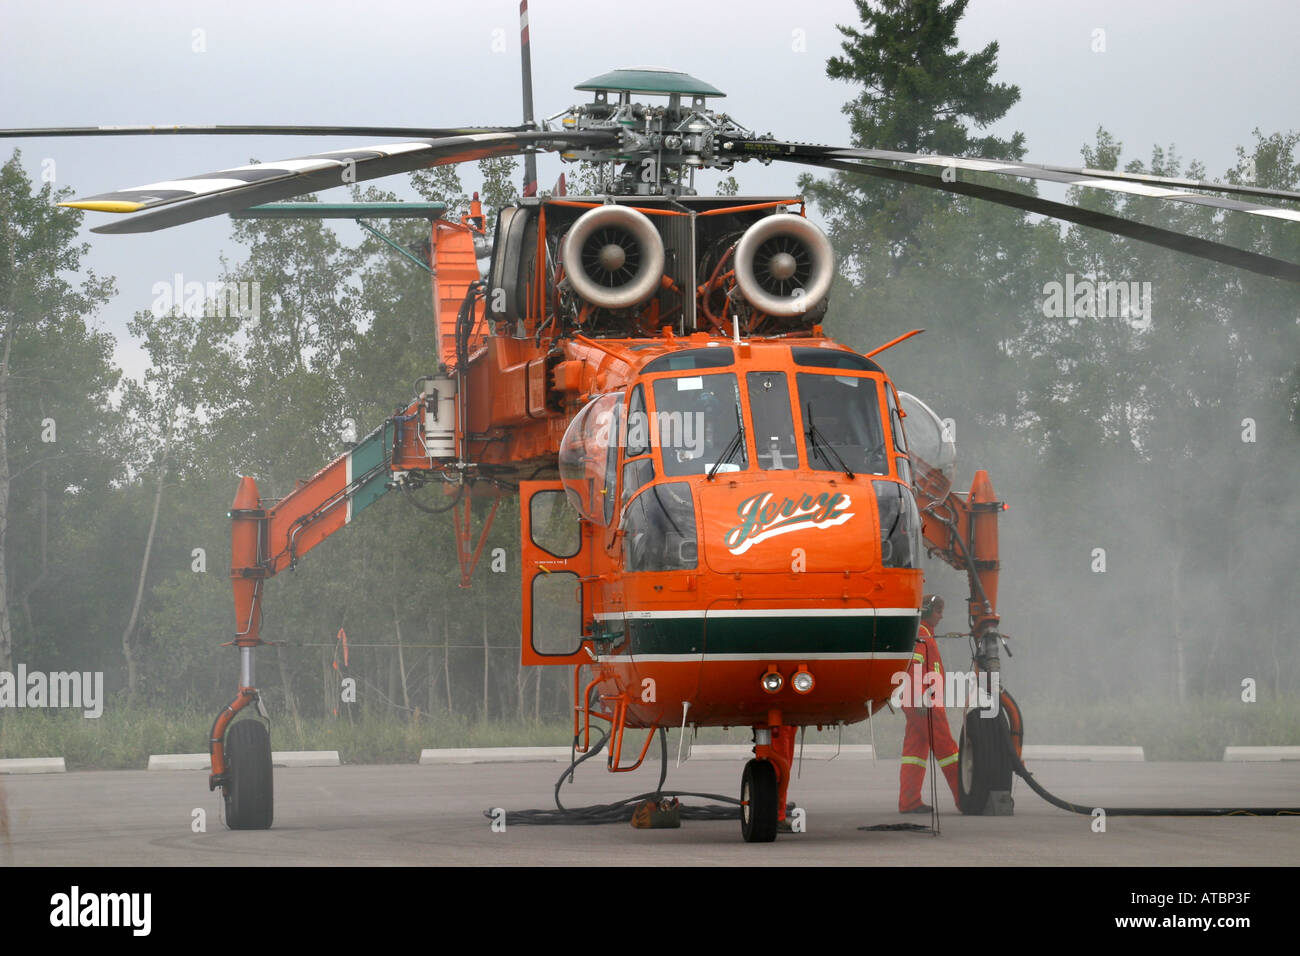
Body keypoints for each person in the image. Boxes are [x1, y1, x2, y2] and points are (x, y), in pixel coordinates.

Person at [899, 594, 961, 813]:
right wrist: (921, 698)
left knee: (914, 753)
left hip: (917, 703)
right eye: (938, 611)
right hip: (925, 704)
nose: (941, 616)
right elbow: (915, 669)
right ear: (927, 611)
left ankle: (909, 801)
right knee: (948, 750)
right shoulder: (922, 636)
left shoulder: (924, 635)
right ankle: (964, 798)